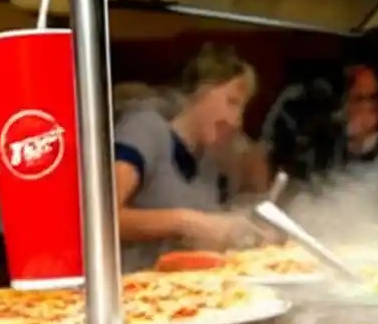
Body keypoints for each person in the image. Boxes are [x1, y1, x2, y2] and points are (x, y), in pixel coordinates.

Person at [114, 44, 275, 271]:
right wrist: (185, 222)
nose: (237, 120)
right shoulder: (145, 129)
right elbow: (101, 218)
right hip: (132, 291)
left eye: (242, 109)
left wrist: (246, 232)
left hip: (187, 292)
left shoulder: (209, 163)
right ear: (202, 90)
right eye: (231, 102)